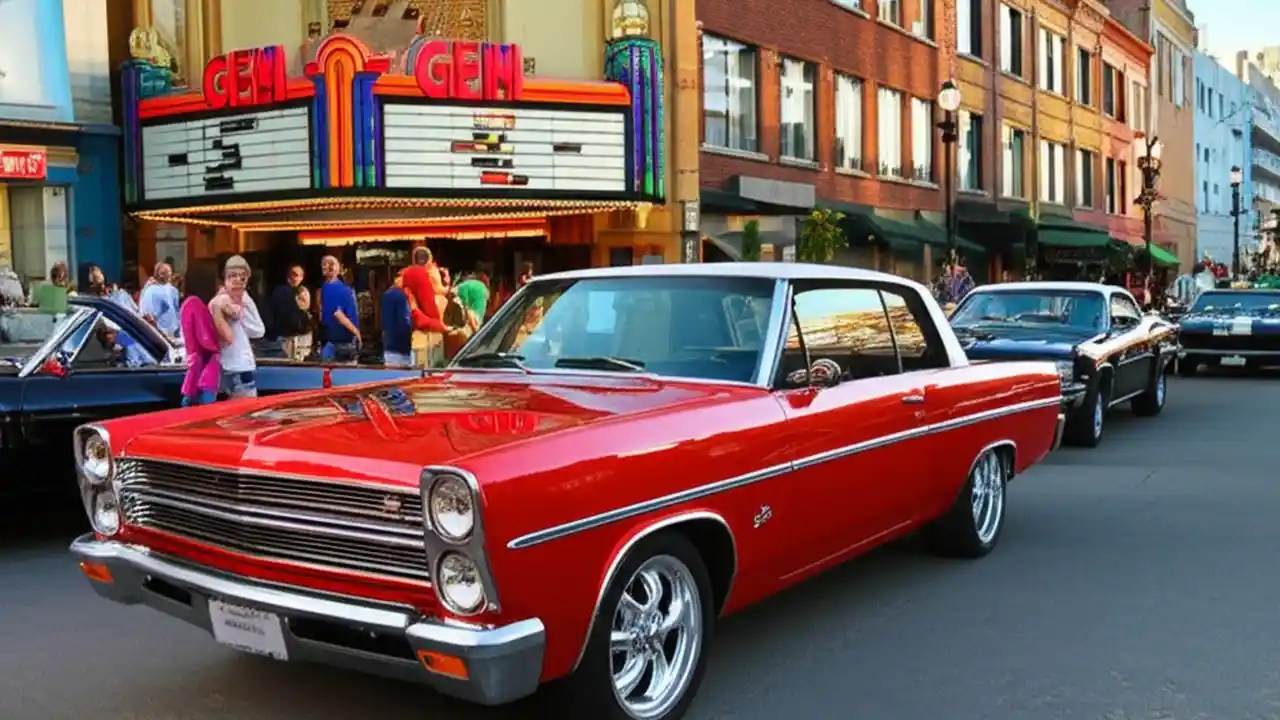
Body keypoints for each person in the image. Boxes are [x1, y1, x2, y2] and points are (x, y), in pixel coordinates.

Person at [210, 255, 265, 399]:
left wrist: (243, 305)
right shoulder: (219, 301)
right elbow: (227, 338)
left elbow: (259, 330)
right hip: (235, 367)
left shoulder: (244, 299)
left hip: (237, 367)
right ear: (225, 278)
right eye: (232, 276)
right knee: (245, 411)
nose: (237, 280)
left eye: (242, 277)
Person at [179, 262, 230, 406]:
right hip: (205, 369)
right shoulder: (196, 304)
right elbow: (205, 339)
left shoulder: (189, 303)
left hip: (197, 365)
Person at [401, 247, 448, 368]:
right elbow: (427, 306)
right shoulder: (421, 274)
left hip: (418, 334)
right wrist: (439, 325)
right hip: (428, 336)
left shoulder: (408, 274)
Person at [317, 255, 361, 363]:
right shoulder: (340, 289)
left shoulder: (325, 287)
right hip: (343, 342)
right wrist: (357, 333)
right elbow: (338, 314)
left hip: (330, 340)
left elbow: (321, 313)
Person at [268, 265, 313, 360]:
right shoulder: (280, 292)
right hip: (284, 337)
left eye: (300, 275)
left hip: (300, 337)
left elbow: (306, 311)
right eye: (293, 274)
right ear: (288, 276)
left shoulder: (303, 291)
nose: (296, 278)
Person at [139, 261, 181, 337]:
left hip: (171, 333)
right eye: (168, 273)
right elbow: (148, 316)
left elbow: (176, 312)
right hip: (160, 334)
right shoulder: (151, 291)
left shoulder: (172, 290)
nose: (170, 276)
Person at [380, 272, 412, 367]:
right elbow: (404, 321)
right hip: (401, 348)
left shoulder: (385, 296)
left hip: (388, 346)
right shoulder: (401, 297)